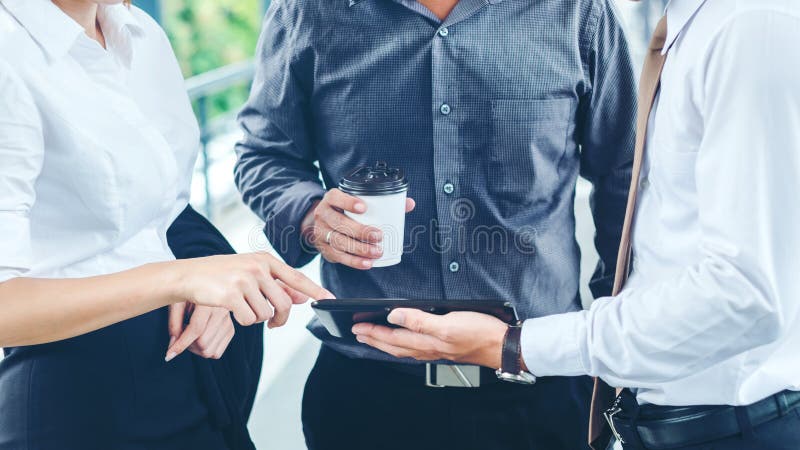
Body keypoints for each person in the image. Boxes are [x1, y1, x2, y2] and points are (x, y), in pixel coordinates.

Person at [353, 0, 800, 449]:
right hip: (666, 417)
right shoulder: (700, 28)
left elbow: (748, 293)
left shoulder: (749, 26)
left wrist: (520, 346)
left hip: (732, 428)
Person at [234, 0, 637, 447]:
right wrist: (309, 215)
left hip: (540, 386)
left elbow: (625, 173)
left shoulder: (578, 11)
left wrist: (617, 331)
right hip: (367, 398)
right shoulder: (307, 11)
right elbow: (265, 154)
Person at [0, 1, 331, 449]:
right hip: (77, 404)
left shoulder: (140, 34)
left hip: (186, 374)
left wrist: (208, 280)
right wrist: (183, 278)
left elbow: (161, 216)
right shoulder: (11, 52)